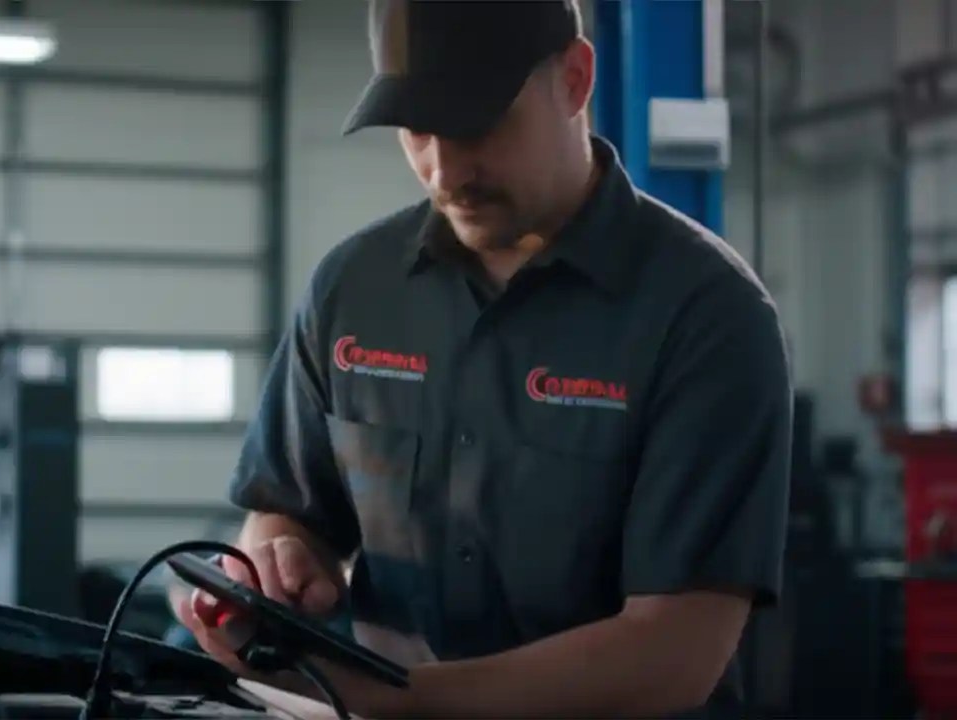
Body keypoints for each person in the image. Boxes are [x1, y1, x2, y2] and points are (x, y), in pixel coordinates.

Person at [170, 1, 792, 717]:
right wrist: (283, 561)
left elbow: (672, 655)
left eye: (476, 123)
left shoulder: (706, 316)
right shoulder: (352, 291)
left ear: (575, 79)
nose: (445, 167)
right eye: (416, 129)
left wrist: (390, 702)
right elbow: (286, 514)